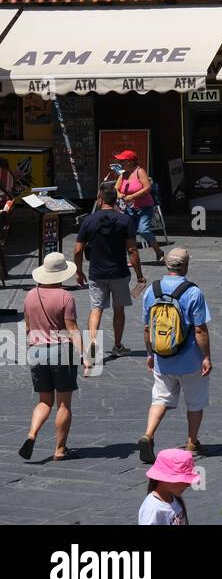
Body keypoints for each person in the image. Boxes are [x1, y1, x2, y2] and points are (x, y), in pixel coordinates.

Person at [138, 248, 212, 465]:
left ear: (167, 265)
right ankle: (192, 441)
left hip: (162, 357)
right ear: (186, 266)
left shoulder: (152, 290)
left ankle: (148, 434)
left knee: (160, 399)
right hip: (189, 359)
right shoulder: (193, 292)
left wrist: (150, 353)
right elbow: (199, 329)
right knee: (195, 401)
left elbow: (146, 327)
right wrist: (206, 356)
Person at [19, 253, 83, 461]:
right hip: (60, 351)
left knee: (44, 401)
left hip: (36, 350)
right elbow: (71, 329)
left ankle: (32, 434)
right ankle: (59, 449)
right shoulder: (65, 297)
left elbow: (28, 328)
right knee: (64, 404)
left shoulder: (29, 296)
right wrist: (85, 354)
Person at [75, 184, 146, 365]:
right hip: (119, 272)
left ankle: (92, 350)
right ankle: (117, 345)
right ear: (116, 201)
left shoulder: (89, 221)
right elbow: (132, 250)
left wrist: (79, 271)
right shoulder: (125, 221)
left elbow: (77, 250)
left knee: (96, 309)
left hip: (97, 272)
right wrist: (139, 275)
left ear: (99, 199)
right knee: (119, 310)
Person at [113, 149, 166, 264]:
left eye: (122, 161)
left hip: (144, 207)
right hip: (129, 209)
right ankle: (133, 258)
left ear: (130, 162)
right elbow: (116, 188)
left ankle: (158, 251)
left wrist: (132, 196)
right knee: (128, 233)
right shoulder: (123, 175)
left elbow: (147, 188)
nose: (120, 163)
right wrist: (119, 194)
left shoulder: (139, 171)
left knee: (143, 230)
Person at [137, 449, 200, 525]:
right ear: (164, 478)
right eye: (183, 480)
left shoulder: (173, 498)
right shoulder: (152, 509)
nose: (188, 484)